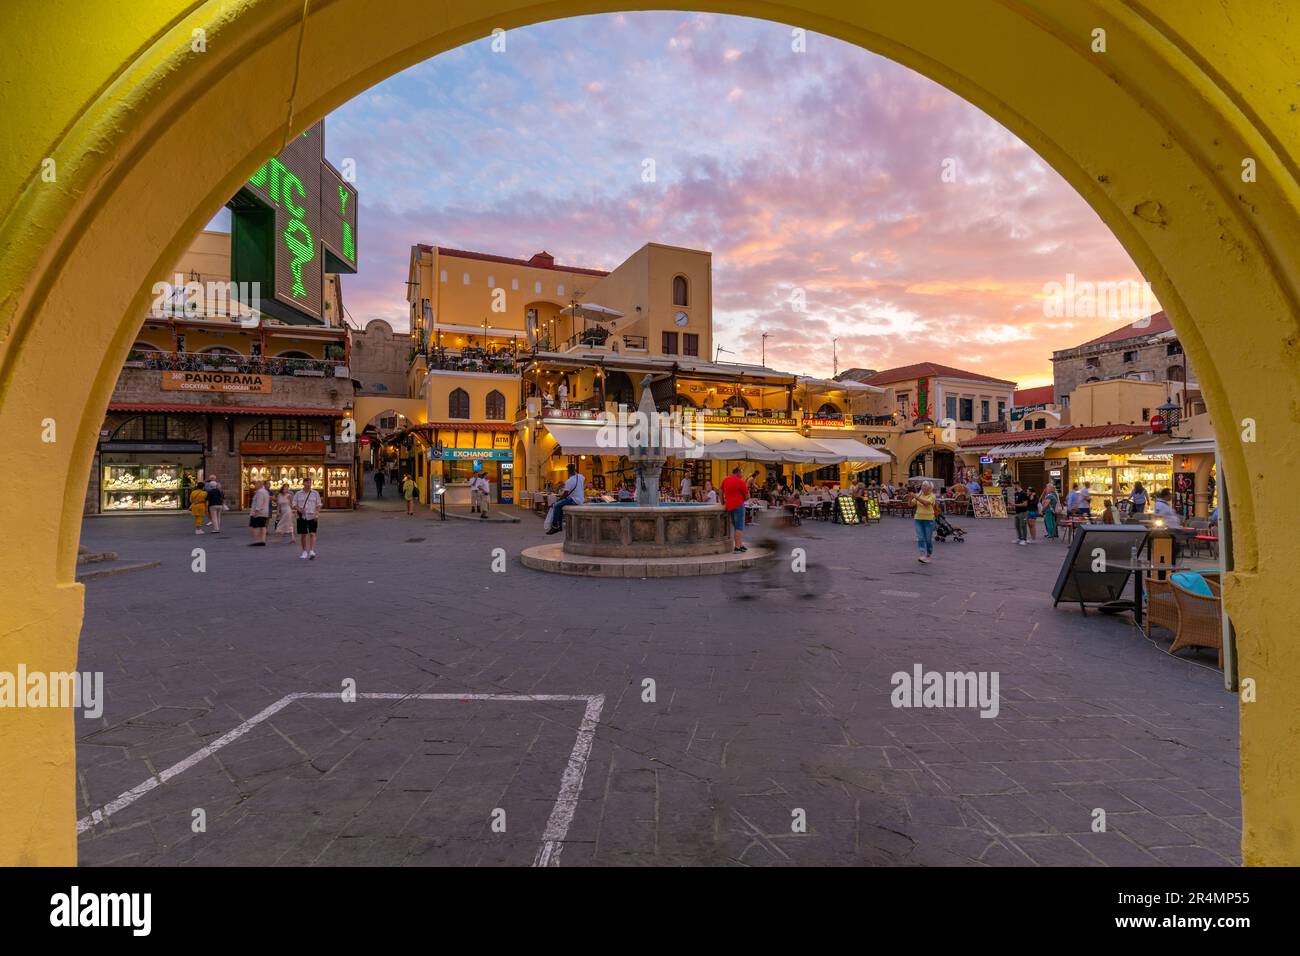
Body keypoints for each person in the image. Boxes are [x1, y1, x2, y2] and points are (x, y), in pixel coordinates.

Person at [545, 463, 585, 534]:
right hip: (581, 499)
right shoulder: (581, 477)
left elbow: (565, 494)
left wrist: (557, 501)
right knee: (559, 506)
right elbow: (584, 478)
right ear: (575, 469)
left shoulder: (569, 481)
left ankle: (555, 526)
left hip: (574, 500)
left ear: (568, 471)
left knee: (556, 505)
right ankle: (559, 526)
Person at [292, 476, 322, 559]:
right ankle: (304, 551)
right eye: (307, 483)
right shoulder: (298, 494)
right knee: (303, 534)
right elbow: (294, 504)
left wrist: (317, 514)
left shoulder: (315, 493)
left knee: (312, 533)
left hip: (312, 516)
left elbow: (318, 504)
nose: (309, 484)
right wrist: (299, 509)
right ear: (303, 483)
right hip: (302, 517)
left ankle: (312, 551)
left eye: (310, 483)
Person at [721, 465, 749, 553]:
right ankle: (737, 547)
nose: (742, 474)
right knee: (739, 527)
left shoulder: (726, 479)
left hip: (729, 506)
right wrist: (744, 498)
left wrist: (722, 501)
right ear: (738, 473)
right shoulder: (741, 482)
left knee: (736, 526)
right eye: (741, 472)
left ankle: (740, 545)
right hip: (738, 505)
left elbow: (720, 490)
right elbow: (747, 496)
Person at [912, 480, 937, 563]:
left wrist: (916, 497)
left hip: (929, 519)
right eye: (922, 485)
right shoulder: (919, 494)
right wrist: (909, 498)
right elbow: (910, 504)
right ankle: (922, 554)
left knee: (928, 539)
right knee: (920, 537)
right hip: (918, 518)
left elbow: (926, 503)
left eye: (925, 486)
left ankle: (929, 553)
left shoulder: (932, 496)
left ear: (929, 488)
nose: (923, 487)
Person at [248, 479, 271, 546]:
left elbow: (259, 502)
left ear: (260, 484)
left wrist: (256, 511)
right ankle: (262, 540)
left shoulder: (260, 492)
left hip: (259, 513)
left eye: (255, 484)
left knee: (254, 526)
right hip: (264, 512)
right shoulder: (265, 491)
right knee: (262, 526)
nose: (254, 485)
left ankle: (256, 540)